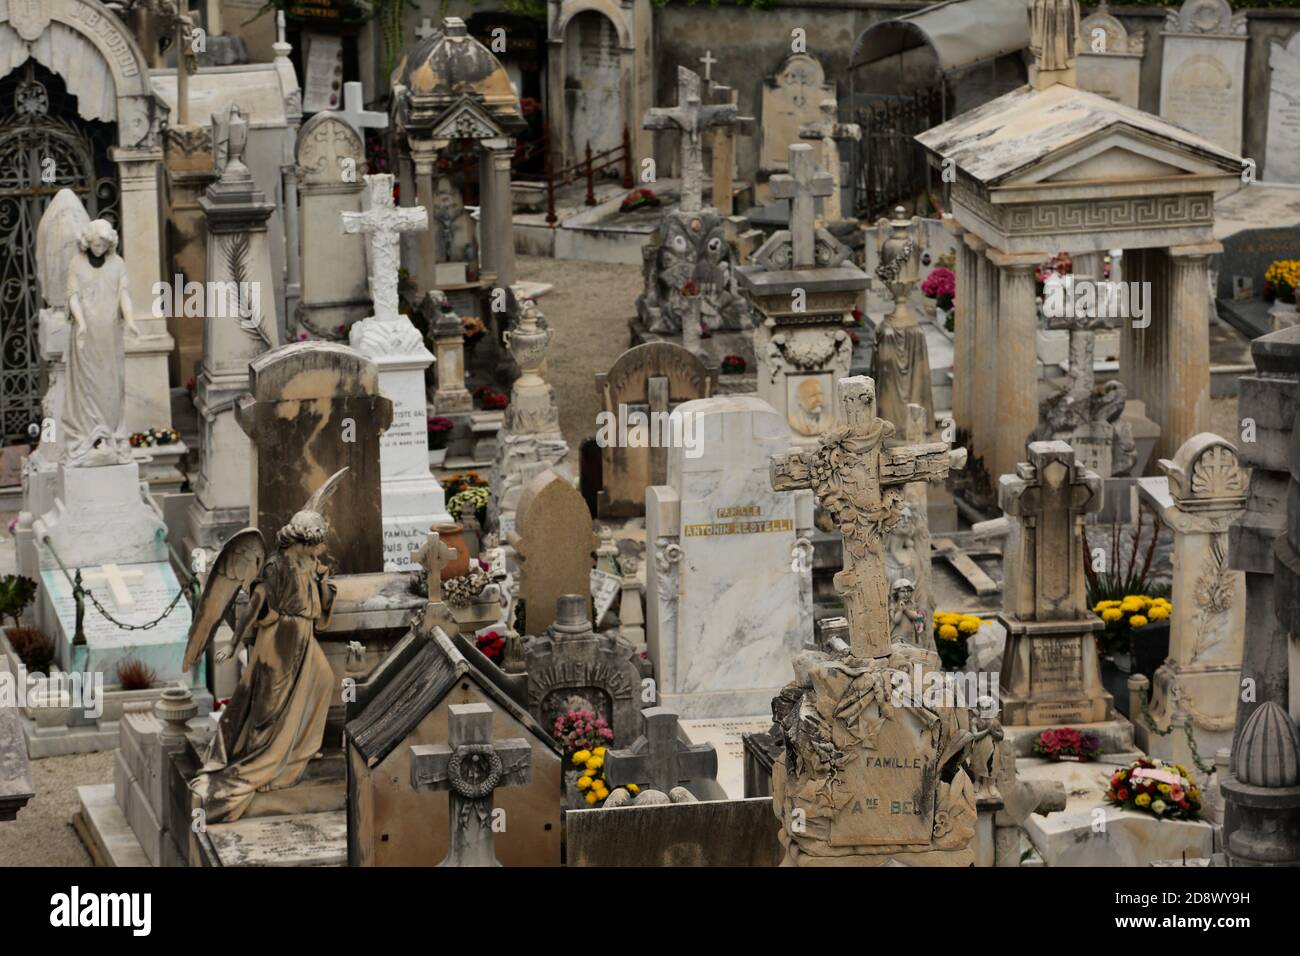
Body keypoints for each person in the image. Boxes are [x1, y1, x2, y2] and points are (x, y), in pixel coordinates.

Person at [63, 220, 137, 466]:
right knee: (88, 386)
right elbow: (73, 295)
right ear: (87, 241)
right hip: (87, 337)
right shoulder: (77, 264)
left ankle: (111, 435)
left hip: (109, 337)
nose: (99, 247)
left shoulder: (118, 265)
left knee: (111, 386)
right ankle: (93, 437)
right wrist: (81, 323)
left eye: (104, 244)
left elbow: (123, 294)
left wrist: (130, 319)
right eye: (96, 243)